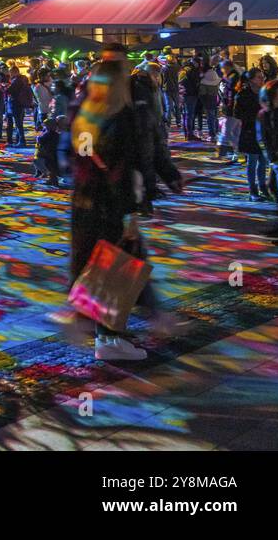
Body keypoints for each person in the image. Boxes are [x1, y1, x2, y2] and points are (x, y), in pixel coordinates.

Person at [68, 49, 183, 362]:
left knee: (115, 263)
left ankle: (107, 327)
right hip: (109, 205)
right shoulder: (116, 118)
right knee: (117, 266)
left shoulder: (87, 113)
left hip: (87, 203)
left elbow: (80, 162)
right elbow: (118, 169)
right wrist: (130, 211)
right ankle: (108, 336)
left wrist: (165, 174)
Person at [256, 78, 278, 239]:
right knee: (274, 188)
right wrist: (274, 159)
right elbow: (264, 140)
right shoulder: (265, 114)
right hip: (277, 161)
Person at [233, 69, 267, 201]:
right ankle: (253, 190)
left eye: (262, 77)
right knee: (252, 161)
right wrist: (254, 118)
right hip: (250, 131)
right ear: (251, 80)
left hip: (264, 131)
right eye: (259, 77)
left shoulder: (265, 92)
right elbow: (237, 113)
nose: (262, 79)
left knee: (263, 161)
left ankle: (263, 187)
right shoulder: (243, 95)